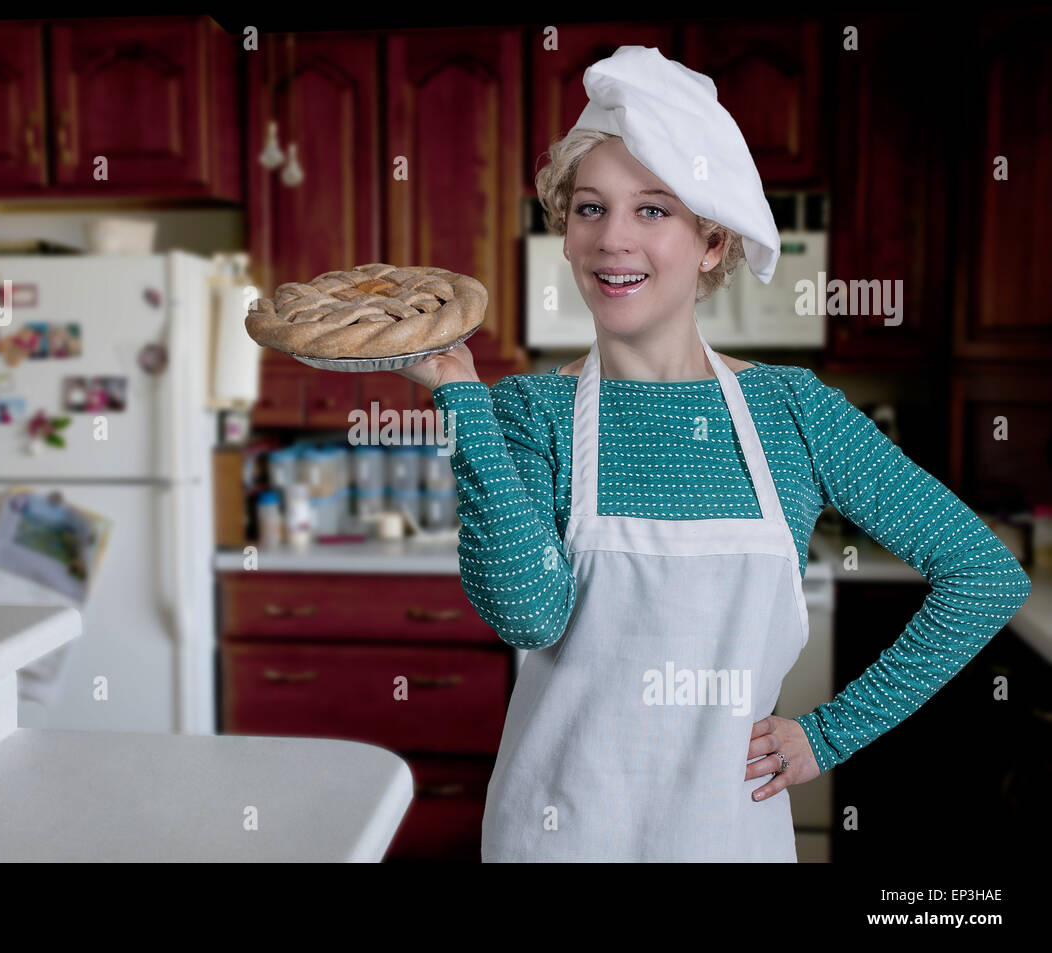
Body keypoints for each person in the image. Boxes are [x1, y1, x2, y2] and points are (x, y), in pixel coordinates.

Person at [395, 47, 1032, 862]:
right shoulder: (527, 410)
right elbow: (528, 613)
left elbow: (984, 573)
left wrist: (827, 734)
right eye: (590, 209)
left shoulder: (794, 412)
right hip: (556, 837)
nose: (612, 239)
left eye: (653, 210)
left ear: (710, 243)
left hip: (727, 841)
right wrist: (462, 398)